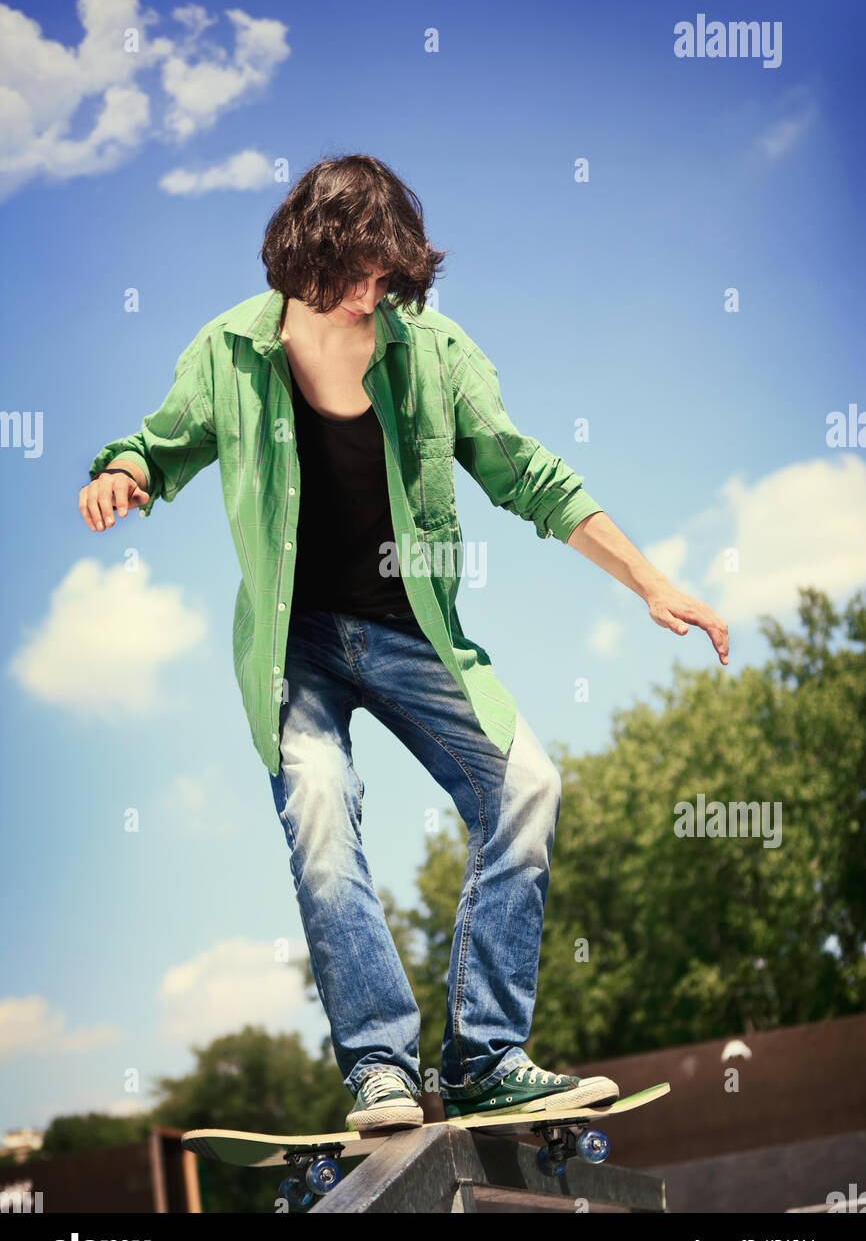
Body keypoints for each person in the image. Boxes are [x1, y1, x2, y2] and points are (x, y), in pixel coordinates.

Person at [81, 154, 729, 1132]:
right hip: (292, 649)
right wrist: (123, 472)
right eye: (357, 280)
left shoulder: (432, 351)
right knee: (319, 812)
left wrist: (650, 581)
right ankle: (379, 1067)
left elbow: (527, 474)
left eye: (389, 283)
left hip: (410, 633)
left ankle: (481, 1059)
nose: (371, 303)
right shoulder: (227, 353)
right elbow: (157, 441)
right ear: (306, 263)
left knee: (526, 787)